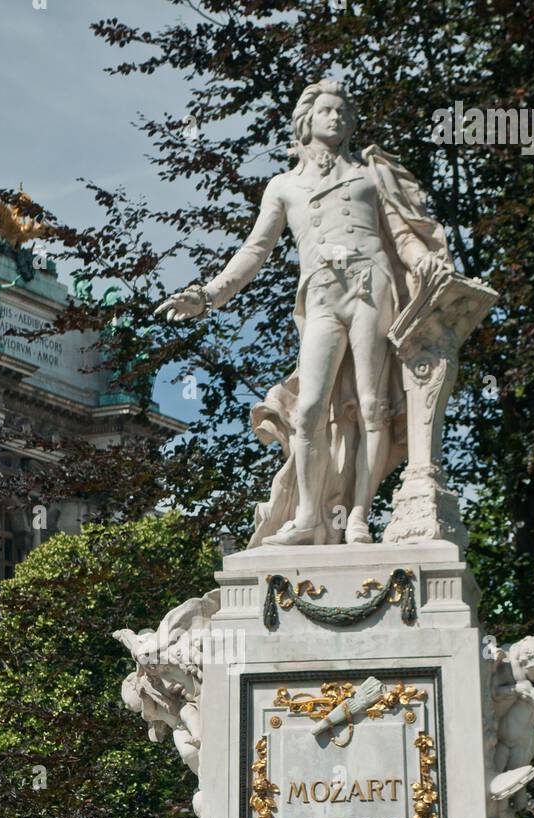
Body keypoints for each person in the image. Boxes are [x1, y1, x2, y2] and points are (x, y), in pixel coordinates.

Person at [156, 79, 453, 546]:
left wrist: (425, 262)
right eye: (328, 111)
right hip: (320, 295)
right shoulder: (285, 187)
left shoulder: (372, 175)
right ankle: (310, 517)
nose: (337, 119)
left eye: (344, 113)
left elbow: (402, 236)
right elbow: (254, 251)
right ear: (307, 121)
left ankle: (357, 516)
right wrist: (209, 296)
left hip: (370, 285)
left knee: (373, 406)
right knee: (311, 407)